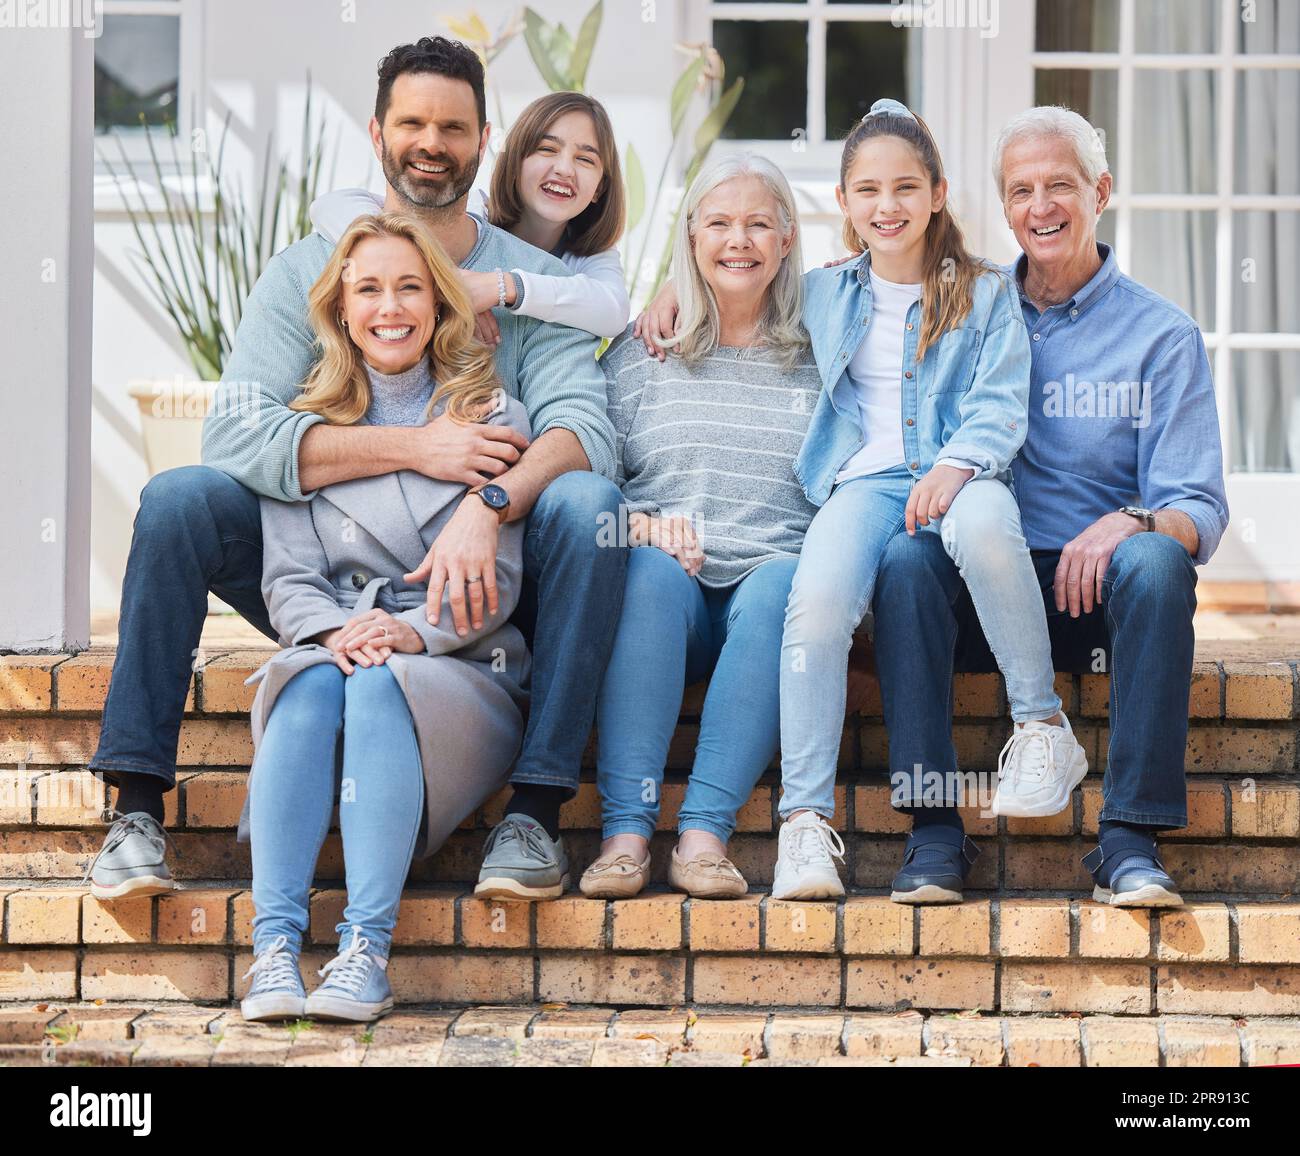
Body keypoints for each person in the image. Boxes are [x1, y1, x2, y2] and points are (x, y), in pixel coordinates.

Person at [81, 37, 626, 906]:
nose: (431, 142)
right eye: (412, 121)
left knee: (590, 505)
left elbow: (585, 429)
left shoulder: (529, 282)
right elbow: (237, 433)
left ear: (482, 140)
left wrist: (489, 501)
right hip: (324, 565)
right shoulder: (310, 267)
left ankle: (535, 812)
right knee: (180, 500)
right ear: (377, 132)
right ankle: (137, 808)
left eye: (452, 126)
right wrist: (418, 447)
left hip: (479, 587)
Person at [634, 100, 1087, 905]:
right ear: (842, 202)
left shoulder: (982, 293)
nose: (888, 206)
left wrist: (956, 466)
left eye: (906, 187)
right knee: (813, 607)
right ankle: (805, 825)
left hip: (964, 472)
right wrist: (666, 296)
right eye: (868, 190)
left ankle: (1042, 728)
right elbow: (737, 284)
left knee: (985, 527)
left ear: (940, 192)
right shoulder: (821, 292)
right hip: (862, 484)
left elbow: (1001, 405)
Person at [870, 105, 1228, 908]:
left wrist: (1129, 521)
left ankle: (1129, 841)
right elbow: (850, 305)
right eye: (1021, 190)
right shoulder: (968, 306)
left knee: (1159, 562)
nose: (1041, 207)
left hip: (1094, 595)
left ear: (1100, 190)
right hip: (983, 593)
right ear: (1002, 207)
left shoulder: (1162, 336)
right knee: (903, 561)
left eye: (1059, 185)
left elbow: (1198, 509)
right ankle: (933, 832)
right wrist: (671, 307)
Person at [239, 212, 530, 1023]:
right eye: (368, 288)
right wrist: (337, 634)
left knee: (376, 687)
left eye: (410, 286)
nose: (390, 306)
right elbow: (289, 578)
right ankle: (273, 950)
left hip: (461, 663)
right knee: (307, 684)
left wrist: (410, 632)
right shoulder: (309, 429)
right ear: (340, 310)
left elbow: (499, 577)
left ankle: (365, 951)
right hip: (338, 642)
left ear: (438, 304)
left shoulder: (489, 411)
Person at [582, 154, 820, 900]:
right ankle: (625, 833)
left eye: (758, 224)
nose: (738, 240)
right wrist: (642, 527)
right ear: (691, 237)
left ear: (786, 240)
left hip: (770, 584)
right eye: (719, 223)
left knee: (787, 582)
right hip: (668, 585)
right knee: (646, 573)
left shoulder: (823, 352)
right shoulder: (643, 350)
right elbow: (588, 480)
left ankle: (702, 835)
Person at [311, 90, 630, 342]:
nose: (563, 169)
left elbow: (613, 312)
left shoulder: (592, 255)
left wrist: (501, 288)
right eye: (546, 149)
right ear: (515, 163)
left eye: (585, 159)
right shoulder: (472, 214)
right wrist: (449, 282)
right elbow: (330, 206)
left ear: (600, 188)